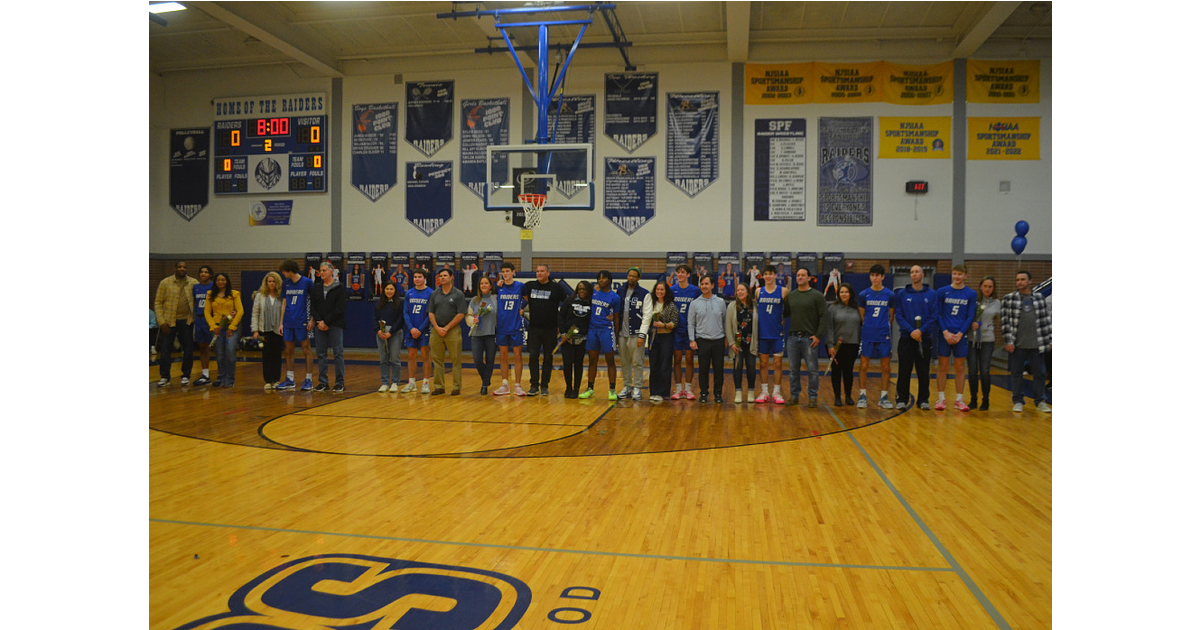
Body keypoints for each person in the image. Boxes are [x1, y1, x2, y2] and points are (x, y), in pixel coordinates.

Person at [1001, 271, 1052, 413]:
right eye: (1017, 280)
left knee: (1040, 373)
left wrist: (1050, 339)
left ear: (1030, 281)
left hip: (1037, 344)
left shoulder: (1040, 298)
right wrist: (1008, 341)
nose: (1020, 282)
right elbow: (1005, 323)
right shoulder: (1009, 299)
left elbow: (1046, 321)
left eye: (1023, 279)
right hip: (1017, 344)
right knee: (1016, 373)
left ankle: (1041, 401)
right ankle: (1017, 401)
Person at [782, 267, 828, 407]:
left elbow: (824, 316)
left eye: (803, 275)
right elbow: (784, 314)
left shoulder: (817, 295)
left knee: (812, 369)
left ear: (809, 278)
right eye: (798, 275)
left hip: (809, 339)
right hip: (793, 338)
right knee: (793, 370)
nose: (800, 277)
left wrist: (818, 335)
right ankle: (794, 396)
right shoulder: (791, 295)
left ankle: (812, 397)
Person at [894, 265, 937, 410]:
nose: (914, 274)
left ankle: (923, 400)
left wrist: (921, 331)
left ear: (923, 274)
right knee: (904, 370)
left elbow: (933, 316)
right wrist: (912, 331)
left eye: (917, 272)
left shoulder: (931, 294)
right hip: (907, 338)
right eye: (912, 272)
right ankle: (901, 399)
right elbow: (898, 315)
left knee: (923, 370)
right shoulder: (902, 294)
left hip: (924, 339)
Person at [934, 264, 976, 412]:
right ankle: (941, 398)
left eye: (960, 274)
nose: (957, 277)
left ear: (965, 276)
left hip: (960, 336)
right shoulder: (942, 291)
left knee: (959, 368)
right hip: (945, 334)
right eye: (954, 274)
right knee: (943, 367)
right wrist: (945, 332)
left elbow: (970, 315)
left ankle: (959, 399)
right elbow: (937, 313)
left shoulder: (971, 294)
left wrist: (960, 333)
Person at [522, 263, 567, 396]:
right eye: (537, 271)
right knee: (533, 356)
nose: (539, 273)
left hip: (551, 330)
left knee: (548, 358)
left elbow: (566, 303)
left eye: (542, 271)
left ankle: (545, 385)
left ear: (548, 273)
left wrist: (561, 322)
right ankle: (534, 385)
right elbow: (516, 292)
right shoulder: (530, 286)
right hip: (534, 329)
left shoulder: (556, 287)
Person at [857, 264, 896, 409]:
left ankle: (884, 397)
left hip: (883, 335)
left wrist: (881, 327)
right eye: (872, 275)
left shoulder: (890, 295)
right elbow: (862, 316)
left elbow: (891, 316)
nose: (875, 278)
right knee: (864, 366)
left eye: (877, 275)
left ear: (882, 277)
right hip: (867, 334)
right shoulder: (863, 295)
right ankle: (862, 395)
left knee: (885, 367)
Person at [154, 261, 198, 387]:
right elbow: (158, 303)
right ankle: (165, 377)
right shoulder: (165, 282)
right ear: (175, 268)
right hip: (168, 322)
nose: (182, 269)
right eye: (179, 267)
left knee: (188, 349)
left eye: (184, 267)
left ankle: (186, 375)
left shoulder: (193, 283)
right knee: (165, 350)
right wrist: (161, 322)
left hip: (187, 321)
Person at [428, 267, 468, 396]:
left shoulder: (458, 294)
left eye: (445, 275)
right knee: (437, 359)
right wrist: (437, 328)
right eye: (440, 276)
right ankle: (439, 387)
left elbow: (461, 314)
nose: (442, 278)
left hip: (452, 330)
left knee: (456, 360)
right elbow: (430, 313)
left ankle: (456, 387)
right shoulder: (434, 294)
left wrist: (447, 327)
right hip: (436, 330)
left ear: (451, 277)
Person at [581, 270, 620, 401]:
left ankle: (612, 390)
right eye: (599, 278)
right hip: (593, 330)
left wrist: (617, 335)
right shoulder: (593, 293)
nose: (601, 280)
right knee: (592, 360)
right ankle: (590, 388)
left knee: (610, 361)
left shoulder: (615, 297)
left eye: (603, 278)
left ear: (609, 280)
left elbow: (617, 317)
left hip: (607, 330)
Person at [277, 259, 315, 392]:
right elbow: (284, 303)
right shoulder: (286, 283)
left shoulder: (307, 282)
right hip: (288, 321)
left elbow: (314, 301)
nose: (282, 273)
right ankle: (290, 379)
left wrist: (312, 319)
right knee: (288, 351)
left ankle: (309, 379)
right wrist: (281, 323)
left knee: (306, 349)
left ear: (290, 270)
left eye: (284, 270)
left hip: (303, 320)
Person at [688, 275, 727, 403]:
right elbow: (691, 323)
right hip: (702, 340)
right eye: (702, 284)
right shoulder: (694, 303)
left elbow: (725, 321)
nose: (704, 286)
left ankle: (718, 394)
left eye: (706, 284)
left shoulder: (720, 302)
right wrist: (692, 339)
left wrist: (726, 337)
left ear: (712, 285)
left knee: (718, 369)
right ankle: (703, 393)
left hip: (718, 340)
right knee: (703, 369)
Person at [310, 261, 347, 393]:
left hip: (335, 324)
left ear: (332, 272)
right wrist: (319, 321)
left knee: (338, 353)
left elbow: (339, 308)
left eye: (325, 270)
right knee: (321, 354)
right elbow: (313, 306)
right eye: (321, 270)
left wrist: (326, 321)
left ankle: (339, 382)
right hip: (320, 325)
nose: (322, 272)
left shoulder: (340, 287)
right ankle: (323, 382)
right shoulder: (316, 288)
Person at [754, 264, 788, 404]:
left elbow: (788, 310)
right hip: (762, 333)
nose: (768, 276)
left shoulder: (783, 291)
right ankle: (764, 391)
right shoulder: (758, 291)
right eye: (765, 274)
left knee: (778, 364)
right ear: (763, 276)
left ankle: (777, 392)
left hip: (777, 334)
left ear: (775, 275)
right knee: (763, 364)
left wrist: (783, 320)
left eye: (770, 274)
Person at [640, 281, 679, 403]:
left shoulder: (671, 305)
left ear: (666, 291)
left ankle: (664, 392)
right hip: (653, 337)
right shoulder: (650, 303)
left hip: (666, 337)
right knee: (654, 364)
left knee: (665, 364)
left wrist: (664, 325)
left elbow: (675, 322)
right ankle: (654, 392)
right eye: (657, 289)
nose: (659, 292)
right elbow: (645, 318)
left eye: (662, 290)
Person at [203, 272, 243, 388]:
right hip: (217, 327)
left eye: (223, 280)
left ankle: (230, 379)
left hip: (231, 326)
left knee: (230, 352)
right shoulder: (210, 295)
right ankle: (221, 377)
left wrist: (232, 327)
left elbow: (240, 311)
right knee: (220, 354)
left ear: (227, 281)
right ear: (215, 282)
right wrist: (213, 326)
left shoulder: (234, 294)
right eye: (218, 280)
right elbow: (207, 312)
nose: (221, 282)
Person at [492, 262, 527, 396]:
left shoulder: (520, 286)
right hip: (502, 325)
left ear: (513, 272)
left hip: (516, 325)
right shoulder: (498, 287)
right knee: (503, 356)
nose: (505, 274)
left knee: (518, 355)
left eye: (507, 271)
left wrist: (522, 308)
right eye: (503, 271)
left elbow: (527, 299)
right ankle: (505, 384)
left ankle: (517, 385)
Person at [615, 267, 650, 401]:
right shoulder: (620, 291)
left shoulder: (644, 293)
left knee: (637, 362)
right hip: (622, 334)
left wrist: (642, 335)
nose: (631, 278)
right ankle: (627, 386)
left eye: (634, 276)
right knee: (624, 362)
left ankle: (637, 387)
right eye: (629, 275)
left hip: (636, 334)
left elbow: (647, 316)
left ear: (638, 278)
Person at [967, 276, 1001, 410]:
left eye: (990, 287)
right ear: (981, 287)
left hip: (987, 340)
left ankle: (985, 399)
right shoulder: (973, 301)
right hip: (972, 340)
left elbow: (1001, 317)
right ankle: (973, 399)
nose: (987, 289)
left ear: (993, 288)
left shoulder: (997, 303)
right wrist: (971, 324)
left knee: (985, 370)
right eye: (985, 286)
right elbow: (965, 317)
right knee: (972, 370)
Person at [825, 284, 862, 407]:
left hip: (852, 344)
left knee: (848, 371)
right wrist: (830, 345)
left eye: (846, 292)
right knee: (836, 371)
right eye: (842, 292)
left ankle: (848, 396)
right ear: (838, 294)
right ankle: (837, 397)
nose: (844, 294)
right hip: (836, 345)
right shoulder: (833, 308)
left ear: (850, 293)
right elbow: (829, 327)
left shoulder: (857, 308)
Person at [670, 264, 702, 400]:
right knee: (676, 360)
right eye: (678, 272)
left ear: (688, 275)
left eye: (683, 272)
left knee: (689, 359)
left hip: (690, 329)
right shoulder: (672, 290)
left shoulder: (695, 291)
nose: (680, 274)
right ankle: (678, 389)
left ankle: (688, 389)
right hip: (676, 329)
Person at [251, 271, 286, 390]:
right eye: (269, 281)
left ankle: (276, 379)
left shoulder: (282, 295)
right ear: (266, 283)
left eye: (273, 281)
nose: (271, 284)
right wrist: (255, 330)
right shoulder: (260, 296)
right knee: (266, 355)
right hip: (264, 330)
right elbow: (255, 313)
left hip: (277, 330)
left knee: (277, 355)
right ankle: (267, 380)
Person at [401, 268, 433, 394]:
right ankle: (412, 383)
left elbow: (430, 314)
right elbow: (406, 312)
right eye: (415, 277)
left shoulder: (430, 293)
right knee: (411, 356)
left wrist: (420, 329)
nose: (417, 279)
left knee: (425, 355)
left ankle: (425, 383)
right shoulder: (409, 293)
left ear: (425, 278)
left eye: (420, 276)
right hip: (411, 329)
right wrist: (411, 328)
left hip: (423, 329)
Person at [558, 281, 592, 399]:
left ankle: (576, 389)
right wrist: (563, 333)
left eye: (584, 289)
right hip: (567, 338)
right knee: (567, 363)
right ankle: (568, 387)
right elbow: (561, 316)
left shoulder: (591, 303)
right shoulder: (569, 301)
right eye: (580, 289)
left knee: (578, 364)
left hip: (582, 339)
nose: (582, 291)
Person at [725, 283, 758, 404]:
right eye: (737, 290)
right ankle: (738, 392)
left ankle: (750, 392)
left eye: (742, 290)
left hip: (751, 342)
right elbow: (728, 326)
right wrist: (732, 342)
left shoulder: (754, 306)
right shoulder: (732, 306)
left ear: (748, 292)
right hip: (737, 344)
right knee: (737, 368)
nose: (739, 292)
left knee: (751, 368)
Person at [467, 276, 498, 395]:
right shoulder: (474, 300)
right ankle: (486, 378)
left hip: (491, 333)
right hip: (477, 334)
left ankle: (484, 384)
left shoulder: (495, 299)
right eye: (481, 284)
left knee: (490, 360)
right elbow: (468, 315)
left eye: (486, 283)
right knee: (477, 360)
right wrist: (472, 320)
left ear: (490, 285)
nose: (483, 285)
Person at [374, 281, 405, 392]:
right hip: (381, 334)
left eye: (391, 289)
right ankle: (384, 382)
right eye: (387, 289)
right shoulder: (378, 303)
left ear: (395, 290)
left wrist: (391, 332)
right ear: (384, 290)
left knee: (395, 359)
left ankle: (395, 382)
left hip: (395, 333)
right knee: (383, 358)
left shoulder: (400, 303)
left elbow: (401, 320)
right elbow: (374, 319)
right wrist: (378, 330)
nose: (389, 291)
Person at [191, 265, 215, 386]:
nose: (203, 274)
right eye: (201, 272)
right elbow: (194, 303)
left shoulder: (214, 286)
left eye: (206, 272)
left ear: (210, 274)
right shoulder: (196, 287)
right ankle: (205, 375)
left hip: (211, 319)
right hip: (199, 319)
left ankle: (222, 375)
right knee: (203, 347)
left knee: (218, 348)